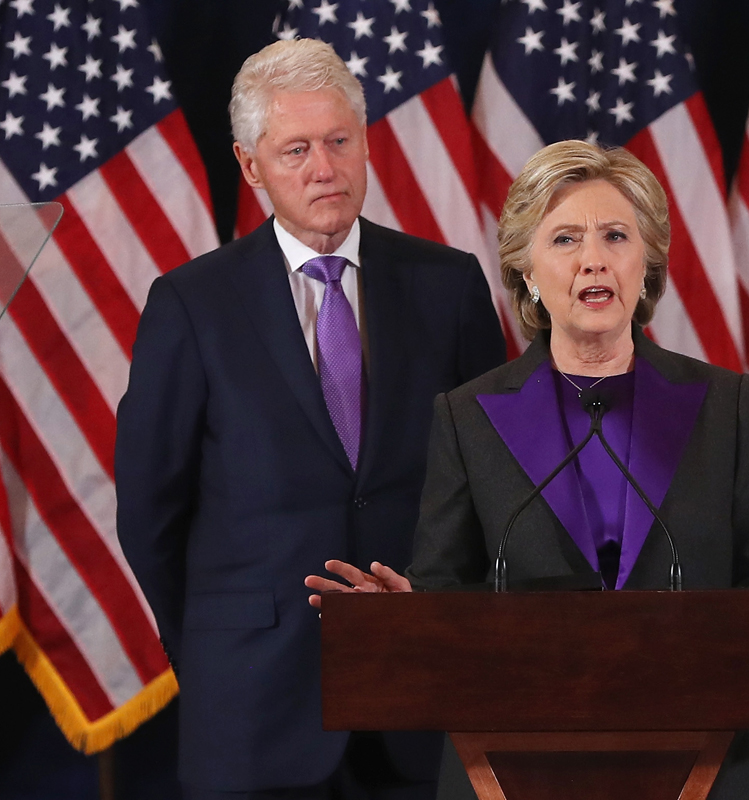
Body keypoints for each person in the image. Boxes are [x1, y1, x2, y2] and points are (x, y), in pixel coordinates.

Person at [307, 140, 749, 798]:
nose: (593, 258)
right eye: (564, 238)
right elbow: (448, 579)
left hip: (710, 764)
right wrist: (415, 617)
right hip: (513, 767)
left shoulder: (722, 405)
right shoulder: (469, 415)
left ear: (645, 263)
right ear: (528, 273)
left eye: (615, 235)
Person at [115, 38, 507, 800]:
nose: (324, 168)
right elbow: (150, 511)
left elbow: (493, 490)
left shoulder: (449, 285)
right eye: (296, 149)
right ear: (251, 165)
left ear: (365, 143)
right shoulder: (192, 305)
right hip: (254, 703)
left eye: (339, 141)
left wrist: (443, 619)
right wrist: (215, 644)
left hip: (420, 698)